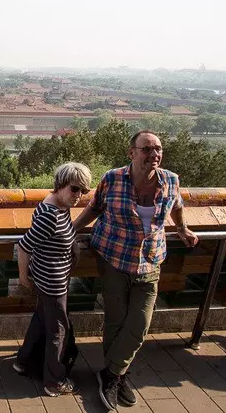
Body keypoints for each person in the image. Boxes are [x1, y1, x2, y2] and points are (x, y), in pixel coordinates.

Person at [73, 130, 198, 410]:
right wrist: (69, 231)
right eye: (147, 149)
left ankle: (111, 373)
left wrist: (182, 228)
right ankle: (118, 375)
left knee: (140, 323)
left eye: (158, 149)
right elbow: (94, 209)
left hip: (150, 260)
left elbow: (177, 207)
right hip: (113, 257)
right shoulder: (112, 178)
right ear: (132, 153)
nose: (154, 154)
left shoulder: (171, 180)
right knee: (116, 320)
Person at [14, 162, 92, 397]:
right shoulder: (50, 215)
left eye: (84, 191)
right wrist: (23, 277)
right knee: (58, 331)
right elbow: (24, 246)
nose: (79, 195)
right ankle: (54, 381)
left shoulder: (58, 205)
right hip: (52, 283)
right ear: (60, 185)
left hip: (51, 278)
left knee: (41, 321)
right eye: (75, 189)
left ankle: (23, 361)